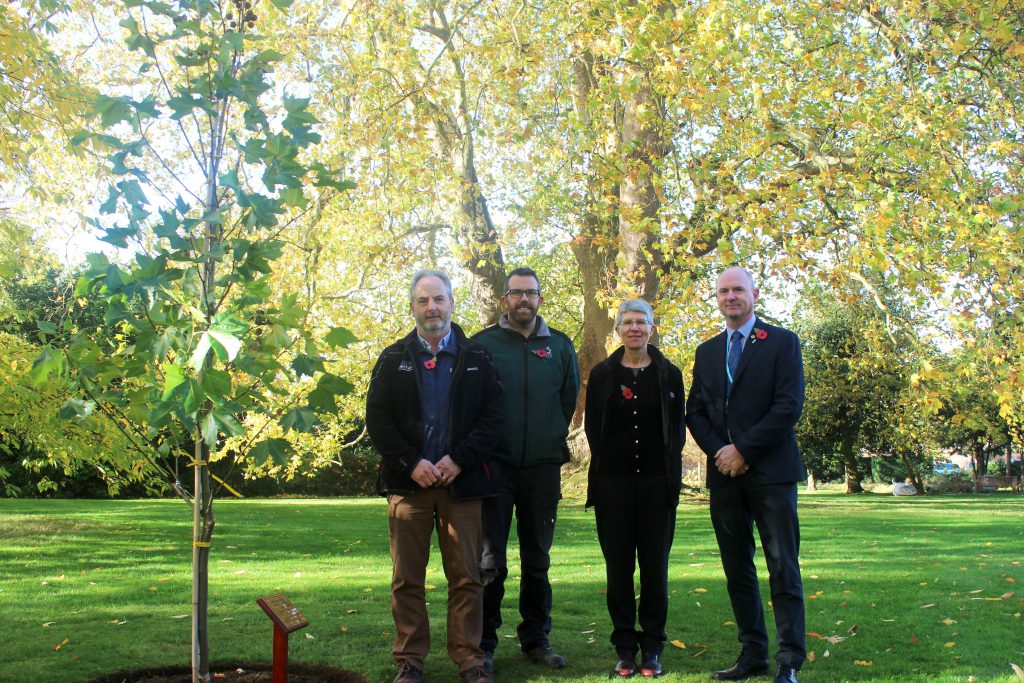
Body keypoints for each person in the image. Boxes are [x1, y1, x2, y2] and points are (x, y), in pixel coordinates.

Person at [366, 269, 503, 683]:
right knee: (407, 578)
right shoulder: (393, 358)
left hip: (462, 485)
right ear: (413, 307)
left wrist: (457, 459)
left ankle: (469, 659)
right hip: (409, 485)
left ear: (452, 303)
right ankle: (410, 661)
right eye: (424, 301)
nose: (432, 308)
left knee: (467, 578)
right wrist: (411, 462)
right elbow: (378, 420)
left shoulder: (477, 357)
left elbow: (493, 417)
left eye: (439, 299)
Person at [685, 267, 807, 683]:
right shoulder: (706, 351)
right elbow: (695, 411)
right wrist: (722, 453)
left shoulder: (782, 342)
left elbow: (788, 407)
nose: (730, 297)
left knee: (782, 566)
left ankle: (789, 659)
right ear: (716, 299)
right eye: (723, 291)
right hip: (724, 477)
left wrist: (744, 450)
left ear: (755, 294)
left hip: (771, 475)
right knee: (737, 568)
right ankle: (752, 651)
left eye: (738, 290)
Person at [471, 267, 580, 673]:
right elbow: (471, 403)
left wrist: (547, 436)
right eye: (516, 293)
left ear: (540, 299)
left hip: (542, 469)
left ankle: (536, 639)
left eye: (531, 293)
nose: (524, 300)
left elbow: (567, 400)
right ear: (505, 300)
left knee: (538, 561)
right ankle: (483, 644)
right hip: (493, 468)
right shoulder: (482, 345)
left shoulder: (560, 346)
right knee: (489, 562)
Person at [584, 299, 685, 678]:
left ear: (652, 328)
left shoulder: (669, 374)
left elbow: (675, 430)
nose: (634, 328)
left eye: (641, 322)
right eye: (627, 322)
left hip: (658, 486)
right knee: (619, 569)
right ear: (618, 330)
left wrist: (669, 478)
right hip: (614, 485)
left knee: (655, 568)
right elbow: (595, 427)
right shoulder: (603, 374)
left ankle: (653, 647)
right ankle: (625, 648)